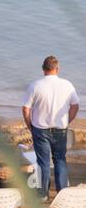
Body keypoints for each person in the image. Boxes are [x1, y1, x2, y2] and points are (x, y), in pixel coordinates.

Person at [23, 55, 78, 200]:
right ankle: (62, 194)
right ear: (57, 69)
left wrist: (30, 126)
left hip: (40, 129)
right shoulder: (67, 85)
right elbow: (75, 106)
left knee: (43, 162)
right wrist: (67, 121)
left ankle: (43, 194)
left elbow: (25, 109)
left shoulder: (35, 85)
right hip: (60, 129)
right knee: (60, 159)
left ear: (43, 69)